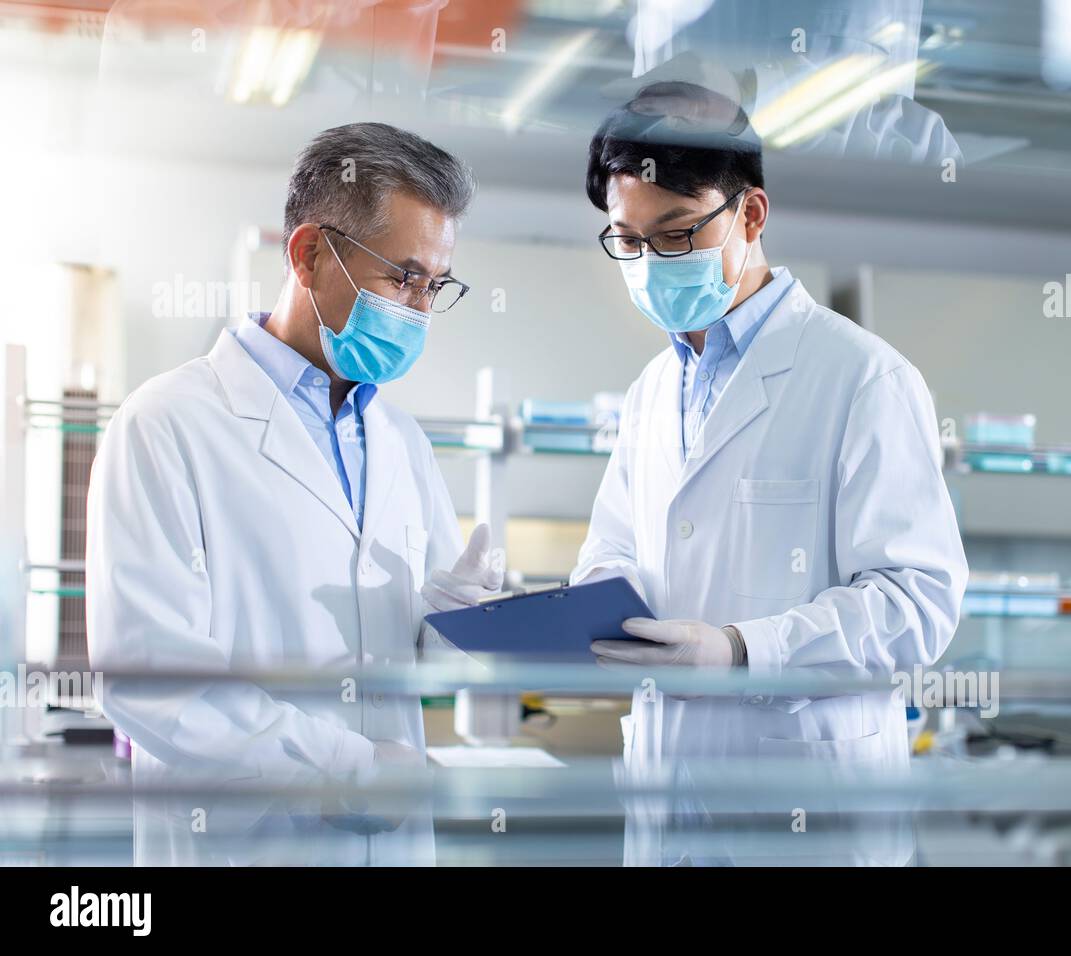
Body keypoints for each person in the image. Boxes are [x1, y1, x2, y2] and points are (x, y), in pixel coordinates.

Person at [572, 83, 968, 865]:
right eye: (628, 239)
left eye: (678, 234)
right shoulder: (655, 389)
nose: (651, 263)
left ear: (750, 215)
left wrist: (744, 651)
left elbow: (917, 603)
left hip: (806, 816)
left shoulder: (861, 377)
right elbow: (615, 553)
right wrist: (548, 611)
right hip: (667, 804)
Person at [86, 122, 502, 866]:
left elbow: (410, 670)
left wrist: (453, 625)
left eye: (435, 287)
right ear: (310, 254)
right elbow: (150, 681)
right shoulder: (167, 424)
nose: (419, 309)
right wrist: (340, 768)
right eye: (402, 277)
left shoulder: (402, 441)